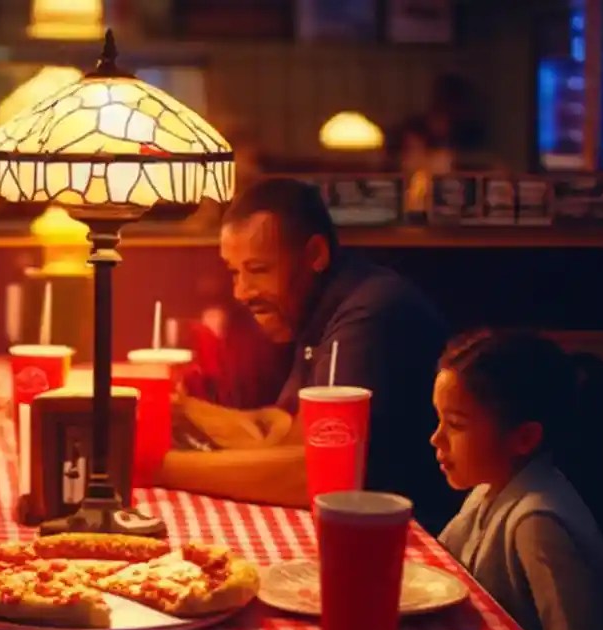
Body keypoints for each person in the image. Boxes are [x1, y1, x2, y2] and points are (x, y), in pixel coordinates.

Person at [159, 177, 457, 533]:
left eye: (258, 270)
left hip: (411, 539)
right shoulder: (319, 305)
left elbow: (321, 472)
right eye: (234, 272)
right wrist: (181, 411)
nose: (241, 291)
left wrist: (161, 468)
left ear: (315, 255)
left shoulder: (368, 315)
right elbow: (281, 430)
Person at [432, 329, 603, 630]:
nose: (435, 439)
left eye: (455, 424)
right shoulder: (487, 490)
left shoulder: (538, 524)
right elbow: (440, 567)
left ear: (524, 439)